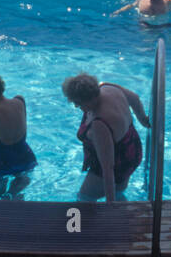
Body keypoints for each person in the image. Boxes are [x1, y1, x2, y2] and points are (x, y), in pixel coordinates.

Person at [62, 73, 149, 202]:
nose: (76, 106)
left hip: (118, 162)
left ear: (88, 100)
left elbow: (108, 169)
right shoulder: (108, 87)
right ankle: (123, 211)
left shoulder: (99, 124)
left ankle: (115, 211)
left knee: (84, 199)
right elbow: (134, 98)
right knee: (119, 192)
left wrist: (110, 207)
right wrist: (143, 120)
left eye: (77, 103)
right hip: (132, 149)